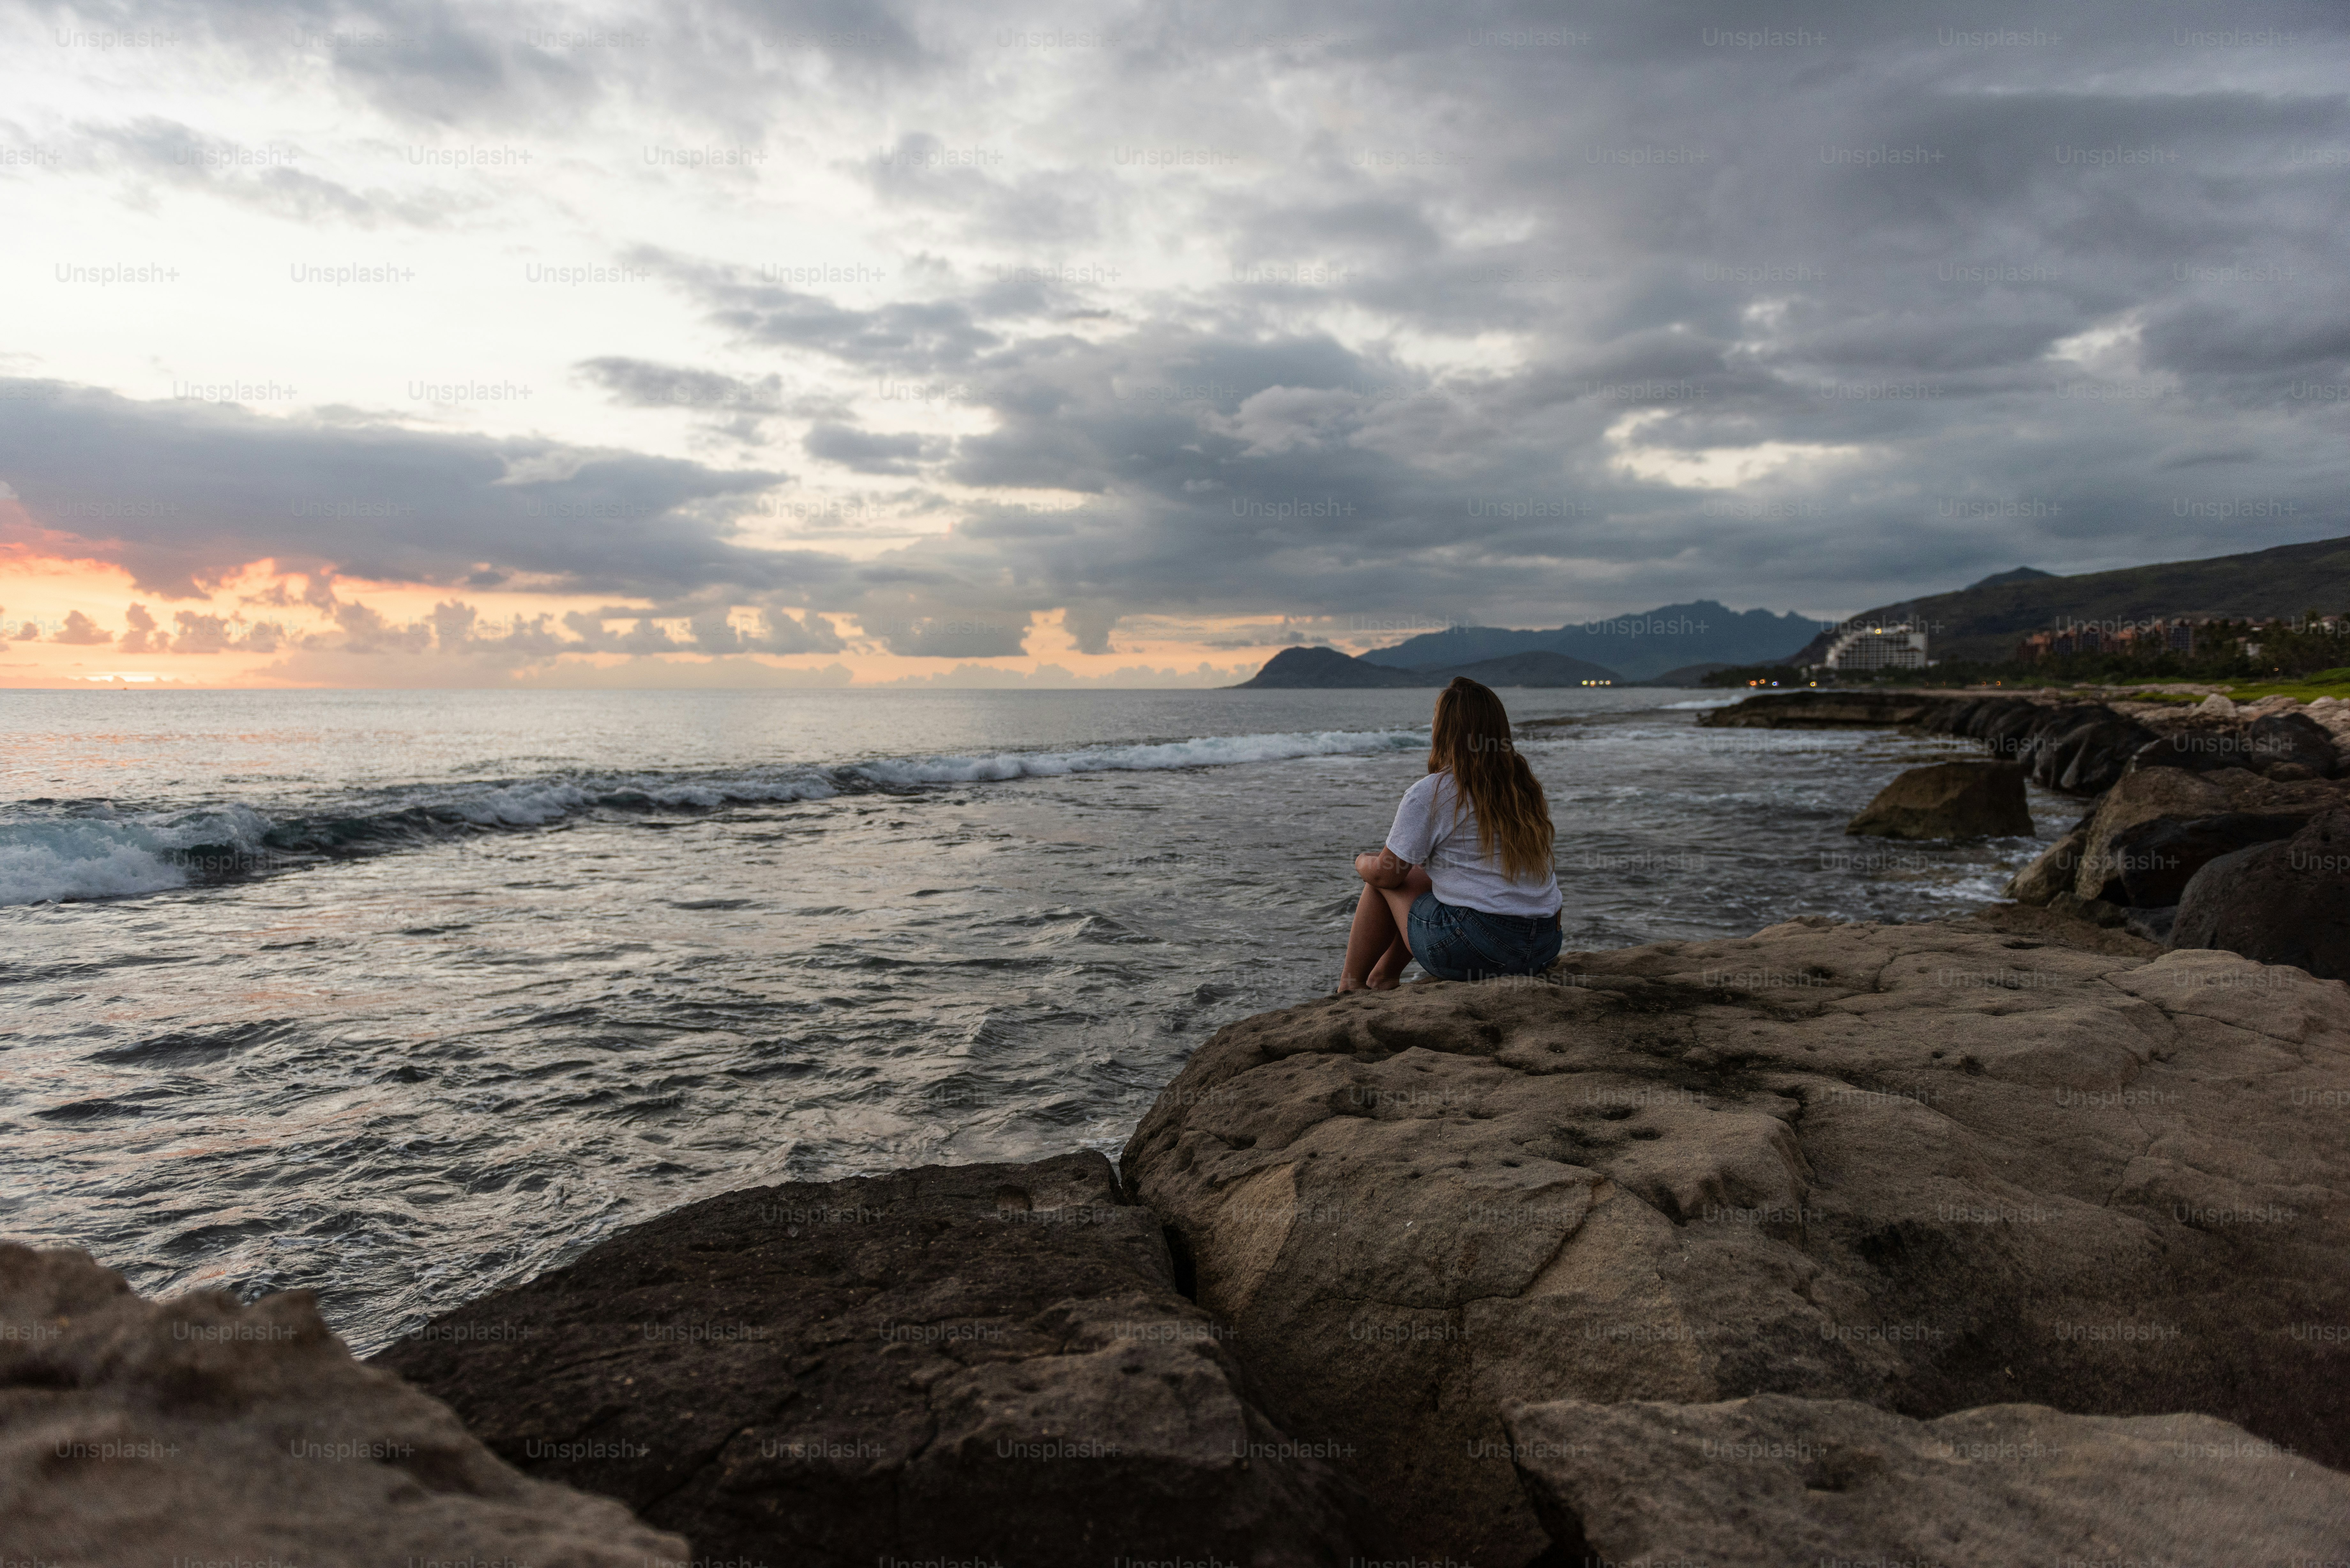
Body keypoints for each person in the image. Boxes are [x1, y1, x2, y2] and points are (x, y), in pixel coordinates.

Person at [1339, 676, 1563, 990]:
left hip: (1480, 951)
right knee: (1423, 875)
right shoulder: (1521, 785)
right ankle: (1382, 977)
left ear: (1443, 730)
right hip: (1543, 946)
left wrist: (1362, 861)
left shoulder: (1432, 791)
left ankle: (1351, 983)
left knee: (1382, 877)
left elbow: (1385, 877)